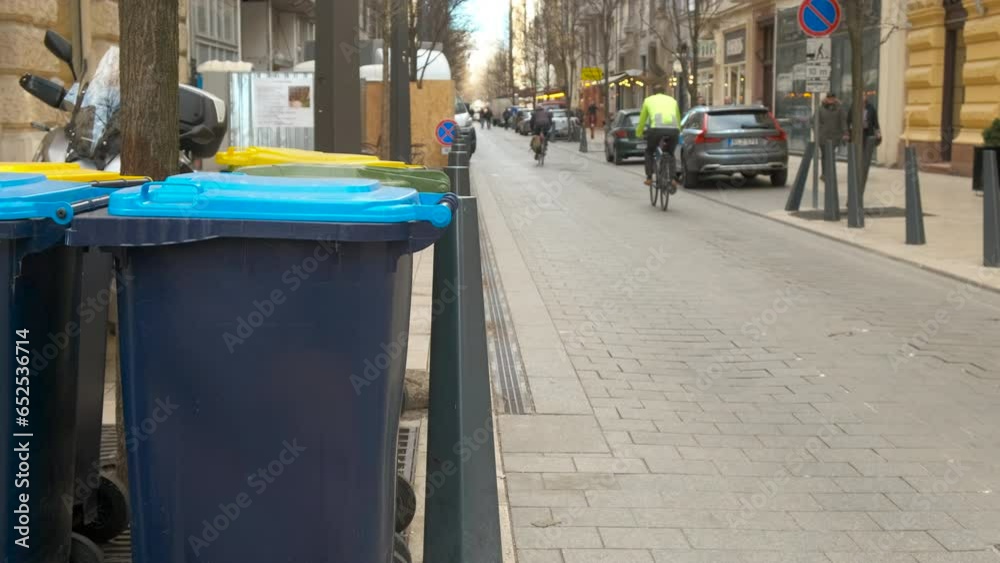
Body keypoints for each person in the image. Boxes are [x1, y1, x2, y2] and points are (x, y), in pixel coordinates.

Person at [635, 83, 682, 189]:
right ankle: (673, 179)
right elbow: (678, 118)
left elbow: (642, 120)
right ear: (664, 92)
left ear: (653, 93)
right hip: (673, 130)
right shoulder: (672, 100)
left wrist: (638, 133)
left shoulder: (648, 100)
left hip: (656, 129)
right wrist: (679, 131)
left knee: (649, 152)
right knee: (670, 153)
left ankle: (649, 177)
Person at [846, 94, 881, 188]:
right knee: (857, 152)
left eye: (864, 96)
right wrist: (848, 132)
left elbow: (875, 122)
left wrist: (878, 133)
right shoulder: (853, 107)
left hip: (867, 133)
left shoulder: (871, 108)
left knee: (865, 153)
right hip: (856, 134)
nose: (862, 98)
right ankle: (857, 169)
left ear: (866, 98)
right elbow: (848, 120)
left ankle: (862, 171)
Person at [817, 92, 847, 180]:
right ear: (826, 99)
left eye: (832, 98)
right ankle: (824, 174)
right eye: (829, 98)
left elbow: (843, 121)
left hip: (835, 136)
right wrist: (819, 130)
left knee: (831, 155)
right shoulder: (820, 109)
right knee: (824, 155)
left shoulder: (840, 109)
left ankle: (830, 173)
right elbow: (814, 121)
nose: (830, 100)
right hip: (823, 136)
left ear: (835, 99)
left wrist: (845, 133)